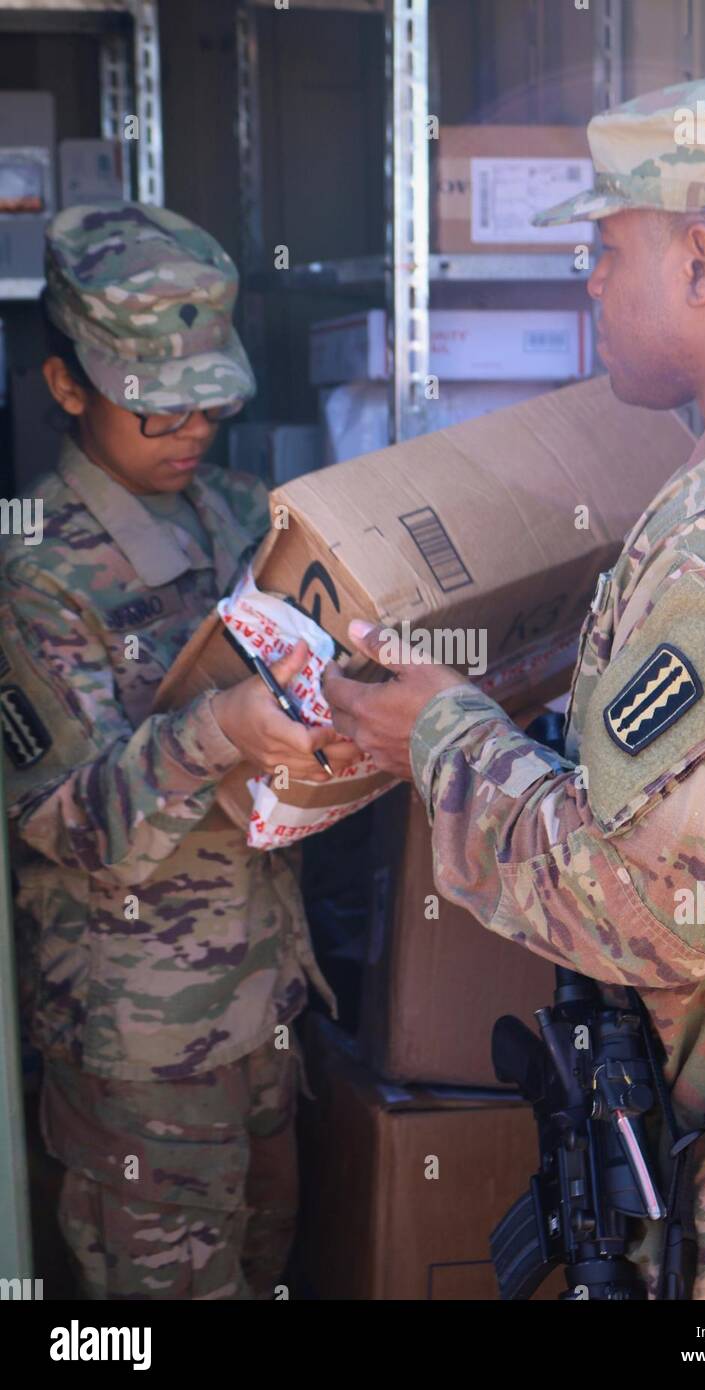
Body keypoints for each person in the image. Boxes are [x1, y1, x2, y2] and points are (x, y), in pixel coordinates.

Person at [324, 76, 705, 1301]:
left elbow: (656, 909)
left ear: (694, 259)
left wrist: (441, 736)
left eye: (601, 248)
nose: (587, 282)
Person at [1, 202, 358, 1299]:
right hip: (141, 1047)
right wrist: (221, 731)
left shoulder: (242, 515)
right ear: (67, 387)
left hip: (266, 1006)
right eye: (154, 410)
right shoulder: (39, 572)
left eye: (207, 401)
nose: (189, 430)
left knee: (270, 1261)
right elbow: (64, 822)